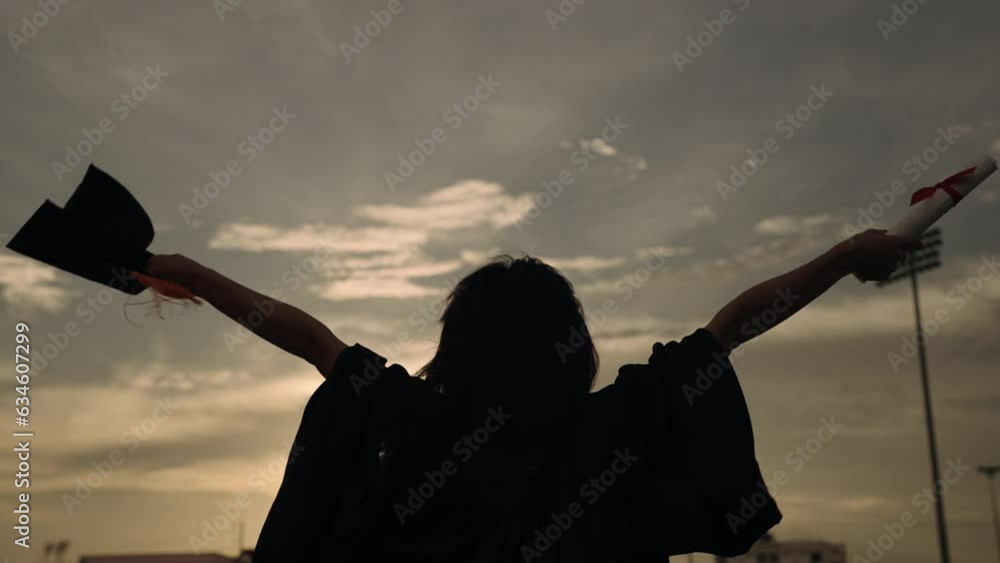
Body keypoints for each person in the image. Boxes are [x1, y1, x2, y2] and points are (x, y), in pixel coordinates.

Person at [148, 228, 919, 562]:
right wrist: (847, 255)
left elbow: (312, 341)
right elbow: (737, 324)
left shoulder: (411, 427)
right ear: (572, 347)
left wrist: (198, 275)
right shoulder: (621, 428)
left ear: (456, 343)